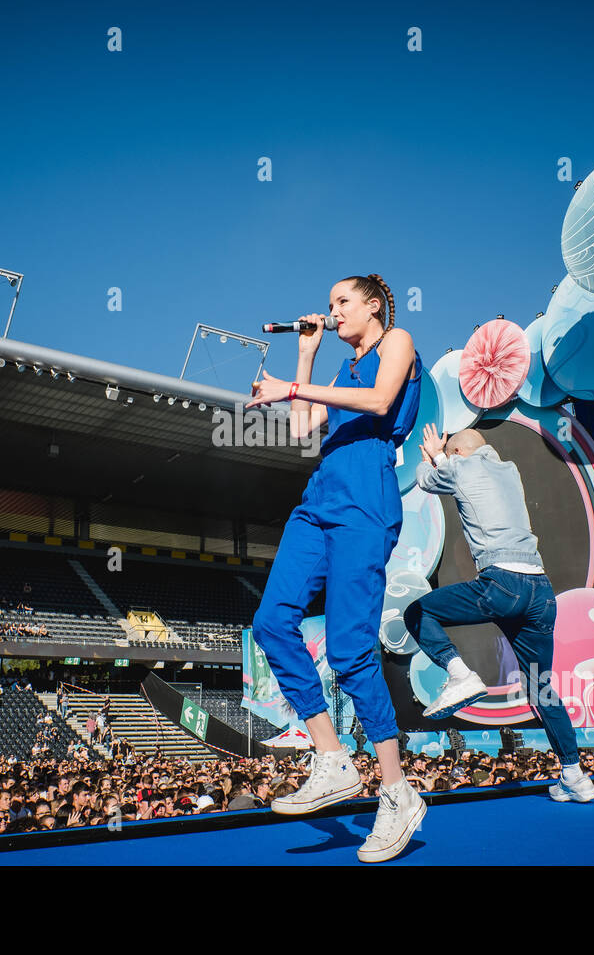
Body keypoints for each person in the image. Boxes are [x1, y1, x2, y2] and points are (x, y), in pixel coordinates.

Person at [245, 274, 426, 863]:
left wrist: (295, 384)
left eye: (341, 302)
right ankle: (332, 757)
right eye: (328, 306)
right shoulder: (336, 368)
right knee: (272, 622)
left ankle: (397, 791)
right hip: (318, 498)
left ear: (373, 305)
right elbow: (301, 429)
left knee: (350, 650)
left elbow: (378, 401)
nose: (333, 312)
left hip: (365, 501)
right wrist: (305, 351)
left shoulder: (397, 341)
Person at [404, 424, 594, 804]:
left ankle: (459, 674)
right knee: (542, 689)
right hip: (541, 593)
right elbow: (469, 463)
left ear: (458, 453)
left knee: (417, 611)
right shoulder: (510, 470)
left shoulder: (458, 467)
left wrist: (432, 455)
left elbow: (426, 480)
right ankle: (574, 774)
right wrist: (450, 454)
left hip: (502, 585)